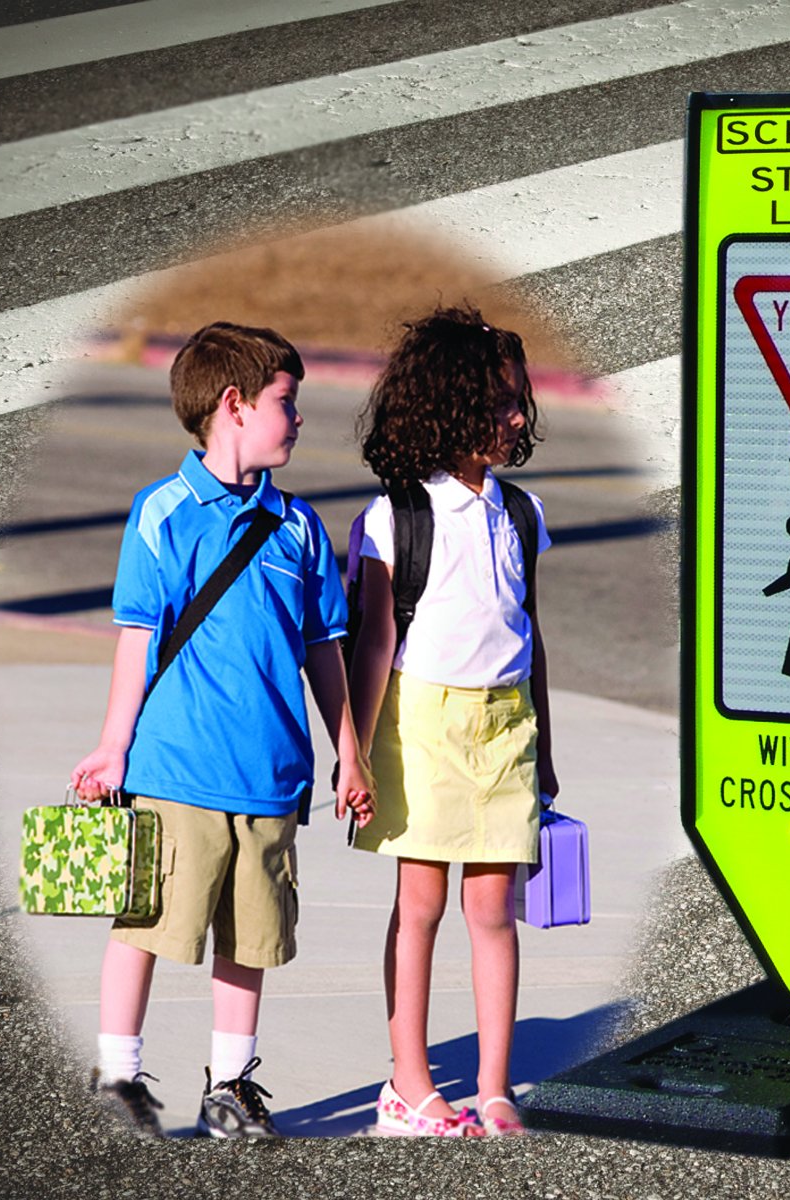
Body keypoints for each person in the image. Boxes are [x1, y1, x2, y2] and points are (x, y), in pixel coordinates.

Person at [70, 322, 374, 1139]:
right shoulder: (162, 512)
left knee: (253, 936)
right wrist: (112, 745)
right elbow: (138, 637)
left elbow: (325, 653)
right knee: (144, 923)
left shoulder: (301, 528)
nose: (299, 418)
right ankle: (117, 1077)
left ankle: (231, 1087)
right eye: (287, 403)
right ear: (234, 406)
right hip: (174, 768)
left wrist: (352, 753)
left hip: (273, 774)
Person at [344, 305, 558, 1137]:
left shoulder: (523, 513)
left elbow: (532, 636)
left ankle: (496, 1088)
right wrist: (354, 756)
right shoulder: (395, 516)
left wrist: (548, 753)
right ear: (449, 408)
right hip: (422, 721)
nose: (516, 417)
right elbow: (372, 645)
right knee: (422, 903)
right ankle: (408, 1085)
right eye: (500, 403)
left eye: (517, 402)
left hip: (508, 725)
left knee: (495, 909)